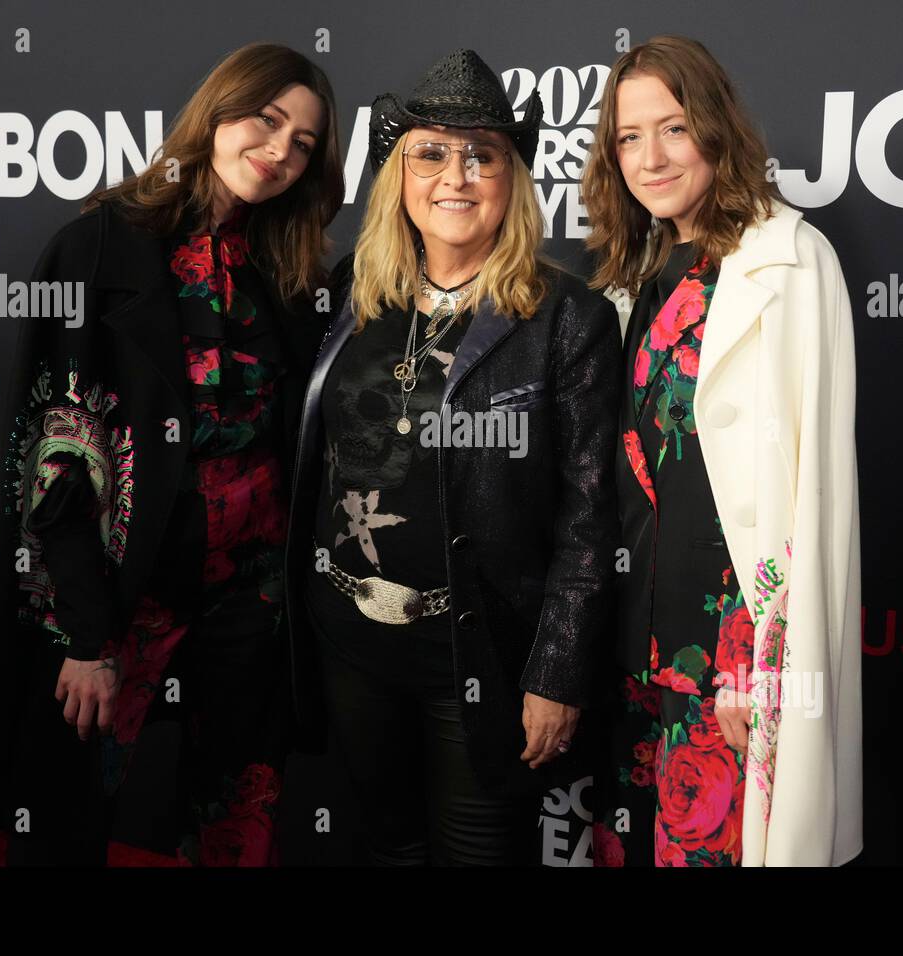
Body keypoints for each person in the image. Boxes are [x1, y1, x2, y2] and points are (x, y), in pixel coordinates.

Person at [0, 42, 344, 866]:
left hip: (251, 597)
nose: (278, 153)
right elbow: (53, 460)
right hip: (126, 596)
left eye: (303, 142)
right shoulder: (97, 249)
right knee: (66, 811)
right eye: (266, 122)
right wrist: (86, 637)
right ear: (216, 113)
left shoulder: (286, 262)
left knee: (239, 813)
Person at [282, 49, 621, 865]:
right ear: (399, 174)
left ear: (513, 180)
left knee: (477, 853)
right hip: (349, 640)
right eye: (430, 152)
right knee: (385, 841)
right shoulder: (349, 296)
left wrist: (556, 671)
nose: (455, 176)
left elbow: (589, 516)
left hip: (478, 654)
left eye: (483, 156)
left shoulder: (566, 317)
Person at [581, 35, 862, 867]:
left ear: (715, 127)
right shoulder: (642, 273)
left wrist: (754, 665)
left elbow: (804, 490)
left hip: (729, 666)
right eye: (629, 137)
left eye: (672, 128)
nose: (651, 157)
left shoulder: (789, 261)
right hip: (640, 649)